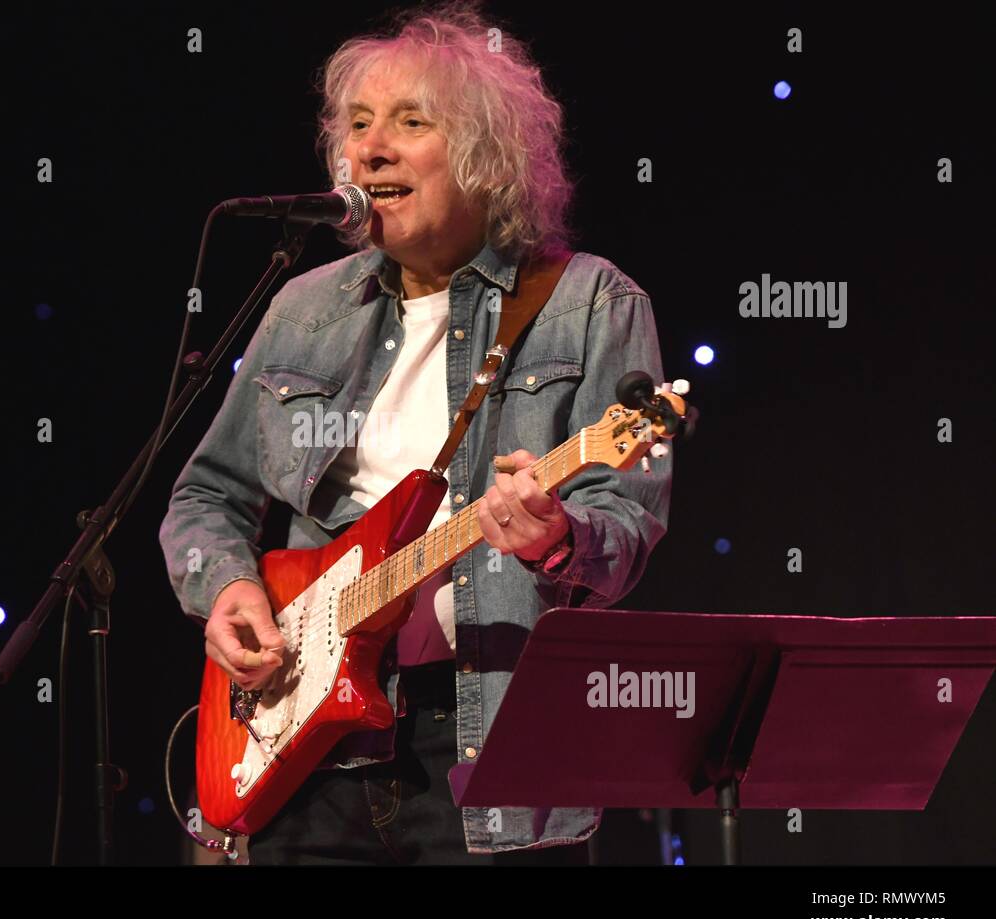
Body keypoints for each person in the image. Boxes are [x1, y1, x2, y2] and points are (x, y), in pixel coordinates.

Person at [160, 1, 672, 864]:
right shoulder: (303, 307)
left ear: (485, 155)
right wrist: (227, 592)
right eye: (357, 125)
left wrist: (557, 539)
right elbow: (206, 494)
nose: (370, 148)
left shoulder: (590, 303)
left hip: (484, 745)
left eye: (408, 122)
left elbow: (623, 528)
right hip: (306, 752)